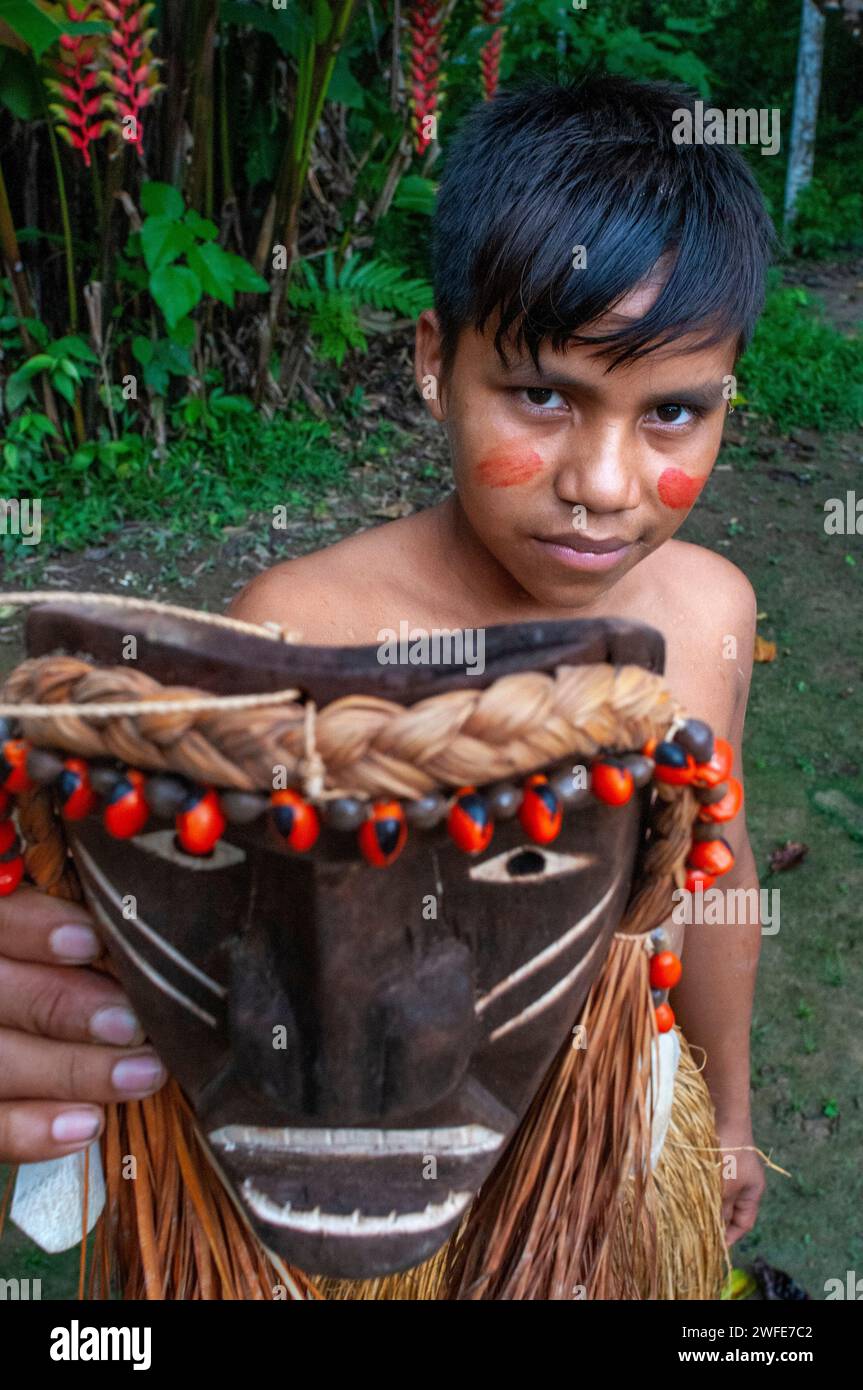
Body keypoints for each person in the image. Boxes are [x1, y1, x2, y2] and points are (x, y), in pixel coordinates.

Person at [0, 73, 774, 1261]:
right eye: (539, 395)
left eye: (669, 413)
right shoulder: (300, 624)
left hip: (606, 1145)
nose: (604, 483)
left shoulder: (712, 608)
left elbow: (706, 881)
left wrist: (723, 1110)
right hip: (347, 1167)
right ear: (431, 360)